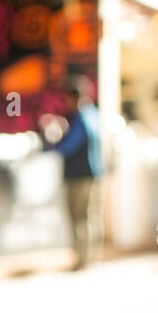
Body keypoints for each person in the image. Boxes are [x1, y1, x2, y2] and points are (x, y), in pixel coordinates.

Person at [52, 79, 105, 267]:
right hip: (93, 174)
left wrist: (55, 142)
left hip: (80, 175)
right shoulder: (94, 114)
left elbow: (68, 147)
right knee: (91, 215)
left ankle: (83, 258)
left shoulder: (81, 118)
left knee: (80, 217)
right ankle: (91, 254)